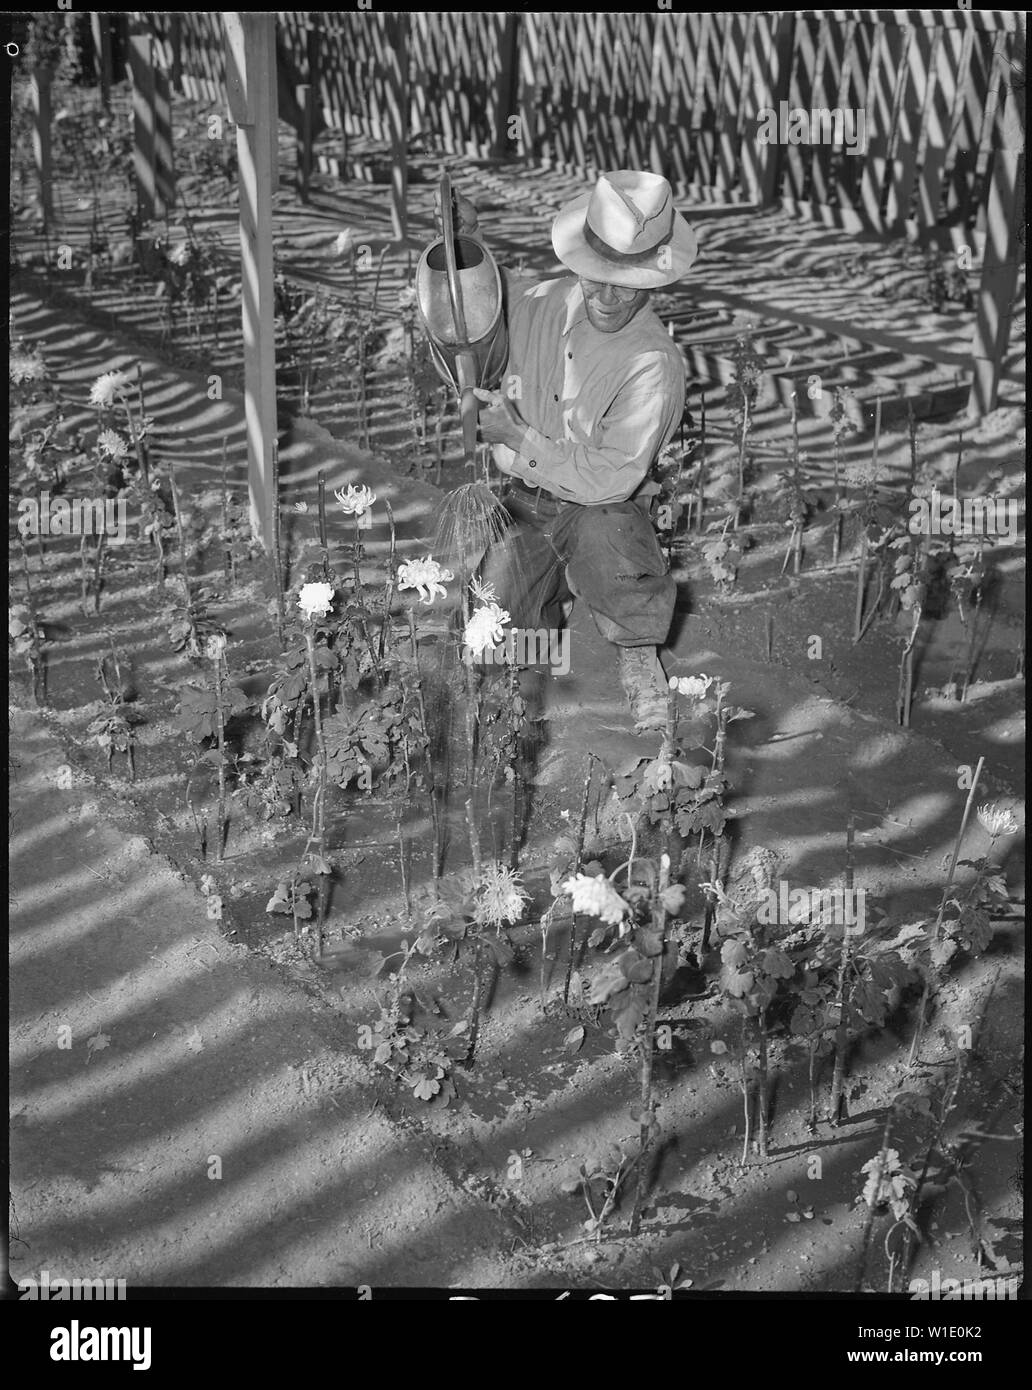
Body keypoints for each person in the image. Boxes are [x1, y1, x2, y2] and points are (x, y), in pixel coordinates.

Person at [440, 170, 697, 731]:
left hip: (597, 510)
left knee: (609, 537)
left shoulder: (653, 363)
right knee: (494, 636)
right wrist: (462, 242)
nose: (607, 297)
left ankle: (637, 652)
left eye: (625, 284)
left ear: (654, 281)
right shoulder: (545, 301)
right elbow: (478, 300)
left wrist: (519, 438)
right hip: (527, 507)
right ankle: (539, 640)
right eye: (596, 278)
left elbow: (612, 478)